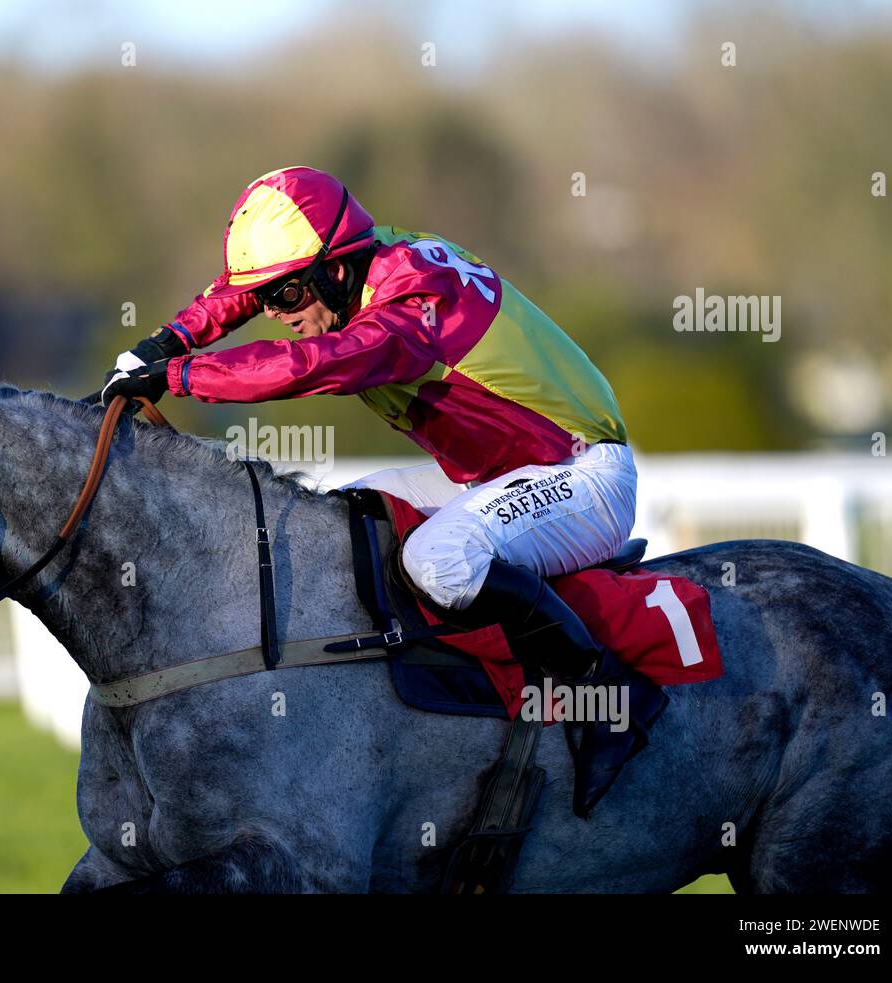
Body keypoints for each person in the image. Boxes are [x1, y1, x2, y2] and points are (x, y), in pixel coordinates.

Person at [101, 165, 666, 815]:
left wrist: (176, 373)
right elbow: (237, 291)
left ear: (335, 272)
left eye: (286, 299)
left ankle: (613, 697)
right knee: (334, 524)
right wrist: (167, 340)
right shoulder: (368, 251)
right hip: (492, 474)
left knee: (438, 560)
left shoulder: (406, 312)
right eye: (272, 301)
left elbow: (310, 366)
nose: (278, 315)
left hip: (580, 477)